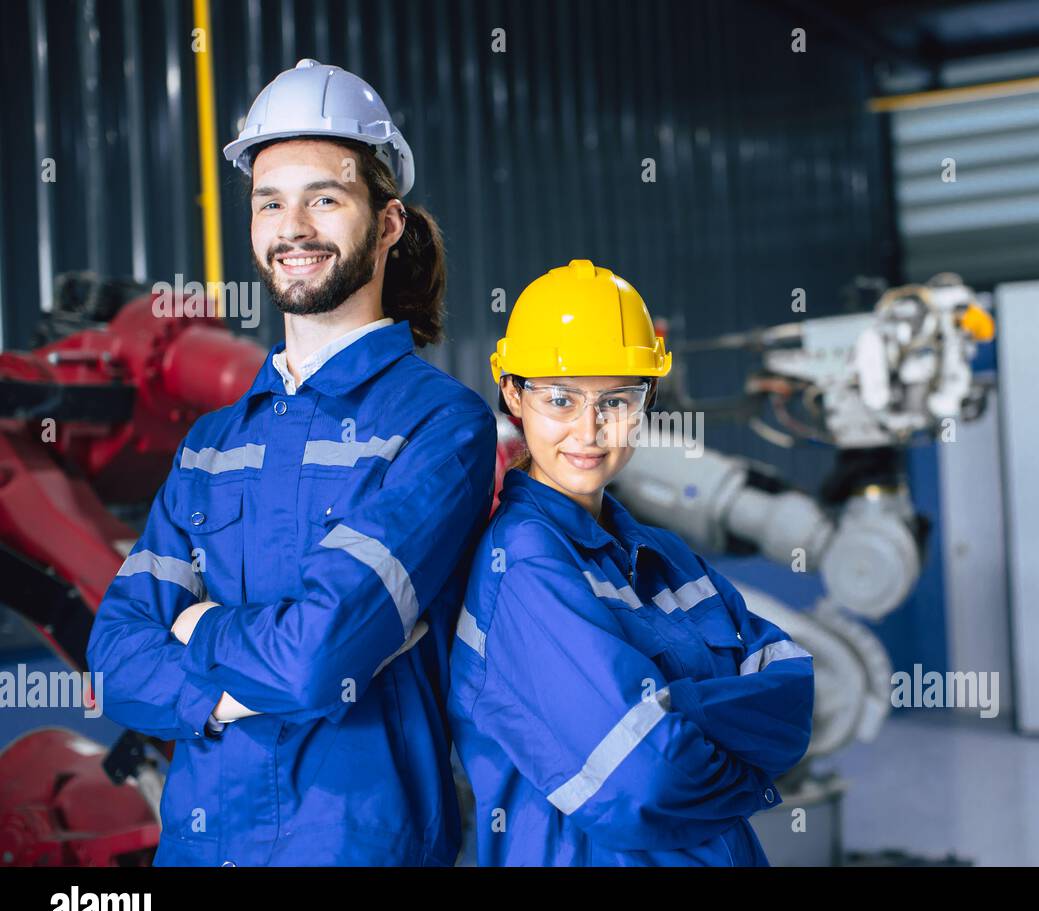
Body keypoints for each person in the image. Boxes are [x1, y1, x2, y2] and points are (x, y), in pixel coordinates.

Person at [86, 60, 496, 866]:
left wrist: (195, 626)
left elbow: (314, 661)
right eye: (270, 201)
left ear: (387, 225)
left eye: (326, 197)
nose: (293, 226)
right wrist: (245, 684)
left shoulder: (439, 425)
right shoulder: (210, 443)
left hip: (359, 847)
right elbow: (116, 663)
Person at [448, 259, 815, 866]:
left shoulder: (665, 555)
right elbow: (642, 777)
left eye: (616, 399)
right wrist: (738, 767)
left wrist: (677, 713)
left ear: (647, 398)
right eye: (560, 399)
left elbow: (793, 695)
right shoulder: (524, 565)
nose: (589, 430)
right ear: (513, 395)